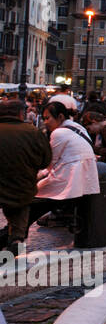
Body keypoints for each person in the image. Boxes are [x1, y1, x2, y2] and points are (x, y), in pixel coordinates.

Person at [26, 101, 100, 246]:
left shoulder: (59, 132)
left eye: (47, 118)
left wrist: (34, 177)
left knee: (34, 197)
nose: (45, 122)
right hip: (85, 179)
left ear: (60, 117)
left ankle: (13, 235)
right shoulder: (77, 127)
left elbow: (49, 162)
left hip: (68, 179)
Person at [0, 98, 53, 256]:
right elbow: (46, 161)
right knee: (19, 210)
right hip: (21, 186)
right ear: (20, 113)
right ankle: (17, 240)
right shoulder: (33, 132)